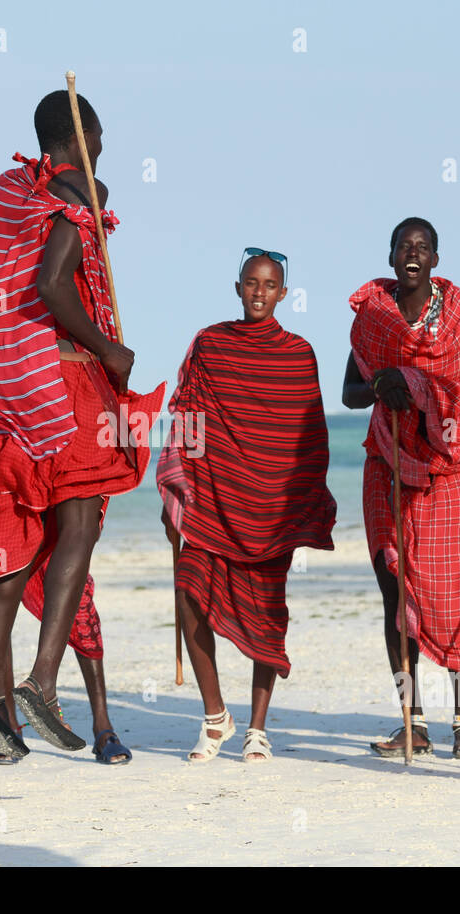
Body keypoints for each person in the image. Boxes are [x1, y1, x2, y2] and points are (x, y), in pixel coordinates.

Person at [0, 90, 163, 755]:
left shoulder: (7, 193)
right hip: (64, 382)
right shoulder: (79, 193)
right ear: (82, 135)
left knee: (27, 530)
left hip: (10, 389)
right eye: (98, 135)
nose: (102, 148)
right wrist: (107, 348)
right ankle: (40, 678)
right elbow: (51, 284)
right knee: (80, 521)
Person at [158, 250, 335, 762]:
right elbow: (187, 419)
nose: (260, 292)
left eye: (270, 284)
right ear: (237, 288)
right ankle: (215, 718)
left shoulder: (300, 353)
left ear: (283, 293)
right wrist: (175, 492)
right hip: (214, 500)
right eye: (251, 283)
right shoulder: (210, 344)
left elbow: (307, 436)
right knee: (189, 591)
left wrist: (304, 501)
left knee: (266, 617)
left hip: (272, 508)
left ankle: (257, 728)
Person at [343, 218, 460, 758]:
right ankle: (412, 721)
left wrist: (419, 388)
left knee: (452, 594)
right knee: (394, 595)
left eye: (423, 246)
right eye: (404, 246)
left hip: (444, 471)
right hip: (385, 465)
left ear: (435, 259)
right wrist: (381, 385)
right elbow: (349, 393)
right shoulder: (374, 318)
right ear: (390, 258)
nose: (413, 253)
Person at [0, 372, 132, 764]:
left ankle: (102, 726)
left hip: (50, 489)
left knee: (79, 603)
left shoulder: (35, 349)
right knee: (1, 599)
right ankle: (9, 725)